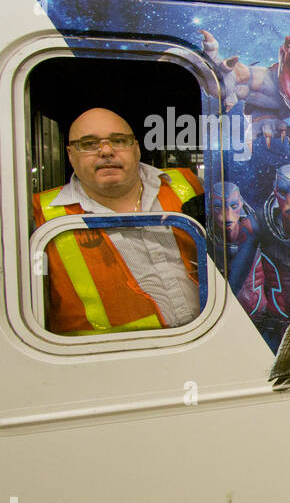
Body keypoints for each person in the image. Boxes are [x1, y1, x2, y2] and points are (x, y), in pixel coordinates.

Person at [32, 107, 203, 335]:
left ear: (136, 148)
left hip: (207, 343)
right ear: (71, 155)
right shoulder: (36, 215)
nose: (105, 151)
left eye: (119, 140)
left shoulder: (190, 185)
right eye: (89, 144)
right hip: (106, 359)